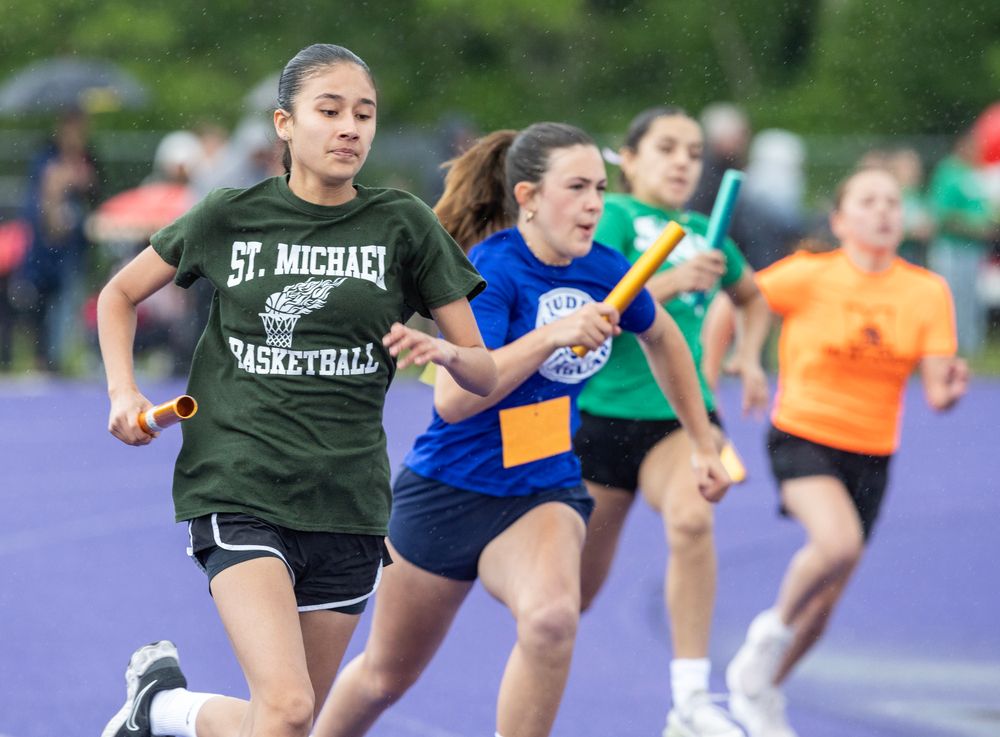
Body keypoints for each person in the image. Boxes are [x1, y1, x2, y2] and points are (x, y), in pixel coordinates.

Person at [97, 43, 497, 737]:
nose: (351, 128)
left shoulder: (404, 225)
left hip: (347, 501)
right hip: (238, 484)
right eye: (330, 110)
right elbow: (118, 294)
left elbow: (483, 372)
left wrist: (445, 351)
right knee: (286, 709)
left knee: (286, 721)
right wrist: (122, 391)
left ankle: (160, 707)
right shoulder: (228, 214)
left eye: (364, 114)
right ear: (284, 124)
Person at [313, 123, 732, 737]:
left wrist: (700, 439)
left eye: (600, 187)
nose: (594, 203)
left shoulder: (607, 270)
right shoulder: (490, 271)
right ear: (530, 197)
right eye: (577, 188)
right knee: (384, 676)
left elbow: (664, 339)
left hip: (542, 488)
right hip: (446, 493)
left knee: (552, 621)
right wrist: (548, 338)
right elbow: (455, 401)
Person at [725, 166, 968, 737]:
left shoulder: (926, 291)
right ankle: (767, 633)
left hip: (873, 451)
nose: (883, 211)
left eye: (891, 202)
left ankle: (762, 689)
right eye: (868, 200)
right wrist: (746, 359)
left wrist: (952, 390)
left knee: (828, 600)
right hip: (804, 433)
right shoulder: (810, 276)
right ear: (840, 220)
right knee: (837, 543)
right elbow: (735, 301)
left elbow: (936, 392)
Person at [572, 105, 771, 737]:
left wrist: (748, 354)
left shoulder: (707, 234)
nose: (683, 161)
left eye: (692, 151)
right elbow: (594, 308)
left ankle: (690, 699)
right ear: (627, 159)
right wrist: (674, 278)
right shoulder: (612, 217)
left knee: (692, 519)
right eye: (666, 148)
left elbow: (753, 297)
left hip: (677, 422)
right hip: (597, 422)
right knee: (568, 597)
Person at [22, 107, 99, 373]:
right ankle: (43, 358)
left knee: (67, 302)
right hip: (45, 244)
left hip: (73, 247)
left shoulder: (86, 158)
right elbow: (40, 201)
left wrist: (84, 181)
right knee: (40, 301)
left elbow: (96, 194)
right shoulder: (47, 157)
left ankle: (57, 358)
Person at [927, 131, 999, 355]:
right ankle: (947, 345)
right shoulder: (949, 173)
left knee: (970, 298)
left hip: (973, 249)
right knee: (951, 296)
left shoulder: (971, 173)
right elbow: (942, 214)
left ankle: (969, 346)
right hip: (953, 246)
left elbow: (982, 207)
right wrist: (974, 227)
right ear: (961, 146)